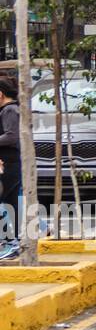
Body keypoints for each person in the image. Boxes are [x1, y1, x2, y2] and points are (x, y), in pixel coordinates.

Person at [0, 77, 22, 253]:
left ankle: (10, 240)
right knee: (10, 203)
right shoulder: (11, 109)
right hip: (10, 162)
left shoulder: (9, 110)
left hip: (7, 163)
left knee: (8, 202)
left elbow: (11, 136)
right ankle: (12, 241)